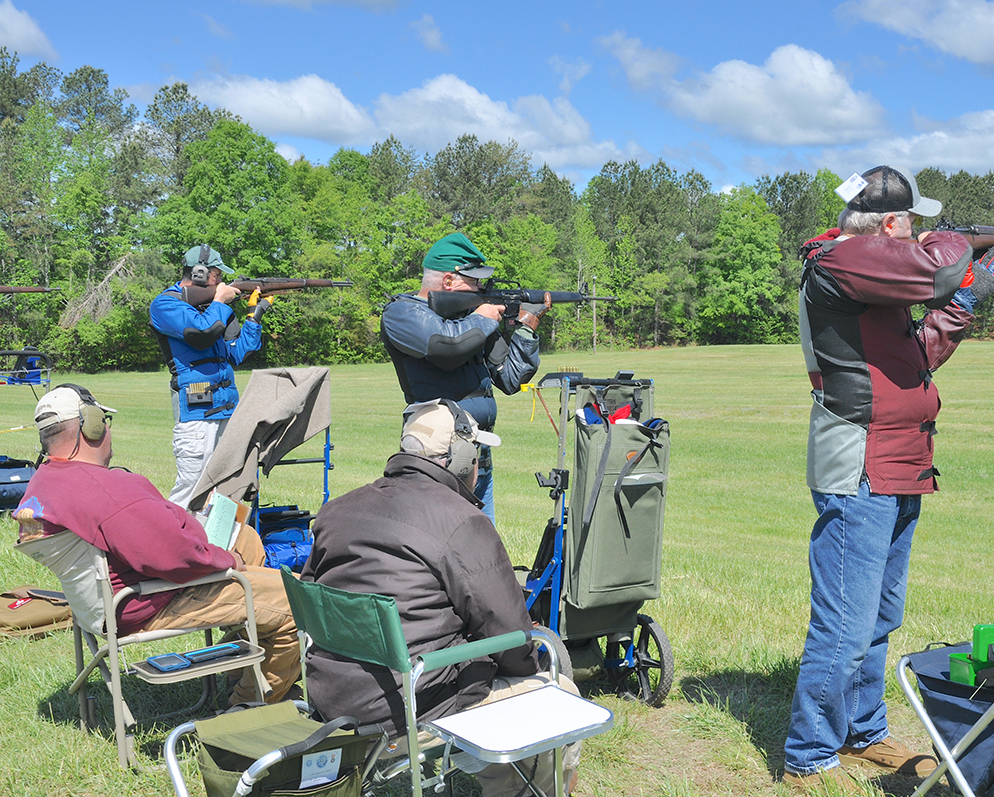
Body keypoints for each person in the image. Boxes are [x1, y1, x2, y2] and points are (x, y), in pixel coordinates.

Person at [784, 165, 994, 792]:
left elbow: (914, 357)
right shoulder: (841, 262)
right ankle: (810, 755)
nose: (919, 231)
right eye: (913, 221)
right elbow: (936, 269)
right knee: (845, 622)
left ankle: (862, 731)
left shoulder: (864, 276)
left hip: (900, 462)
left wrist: (964, 304)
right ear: (889, 224)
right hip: (860, 464)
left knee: (880, 616)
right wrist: (961, 242)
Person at [302, 399, 580, 797]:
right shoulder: (463, 521)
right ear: (463, 458)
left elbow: (313, 600)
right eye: (478, 453)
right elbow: (512, 638)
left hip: (331, 699)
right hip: (407, 712)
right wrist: (531, 666)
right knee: (559, 695)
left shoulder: (336, 510)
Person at [13, 384, 300, 704]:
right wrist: (229, 561)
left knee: (246, 538)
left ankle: (246, 663)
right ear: (90, 424)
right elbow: (179, 557)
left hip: (102, 604)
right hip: (148, 600)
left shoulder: (43, 481)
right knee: (296, 600)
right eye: (105, 419)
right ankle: (249, 705)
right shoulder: (106, 489)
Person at [380, 232, 547, 522]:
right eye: (475, 282)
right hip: (437, 456)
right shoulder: (402, 313)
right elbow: (447, 346)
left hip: (478, 454)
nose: (481, 288)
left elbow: (510, 379)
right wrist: (483, 318)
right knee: (438, 545)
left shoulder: (470, 320)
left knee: (480, 544)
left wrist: (526, 328)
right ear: (448, 282)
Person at [150, 244, 272, 507]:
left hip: (227, 411)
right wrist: (220, 301)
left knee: (225, 490)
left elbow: (239, 354)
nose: (222, 282)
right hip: (197, 414)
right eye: (217, 275)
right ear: (200, 274)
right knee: (191, 489)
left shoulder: (214, 308)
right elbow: (203, 334)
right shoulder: (165, 305)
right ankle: (173, 544)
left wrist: (254, 317)